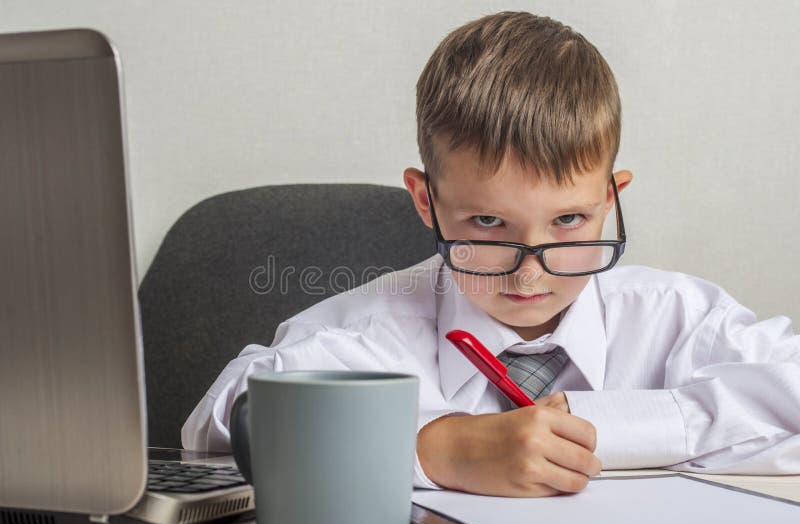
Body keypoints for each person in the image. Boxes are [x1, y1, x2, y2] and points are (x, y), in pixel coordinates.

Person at [182, 11, 800, 497]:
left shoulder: (677, 317)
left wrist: (613, 425)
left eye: (568, 221)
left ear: (610, 199)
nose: (529, 272)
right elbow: (219, 424)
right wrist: (434, 449)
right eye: (487, 222)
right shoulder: (371, 332)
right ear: (426, 201)